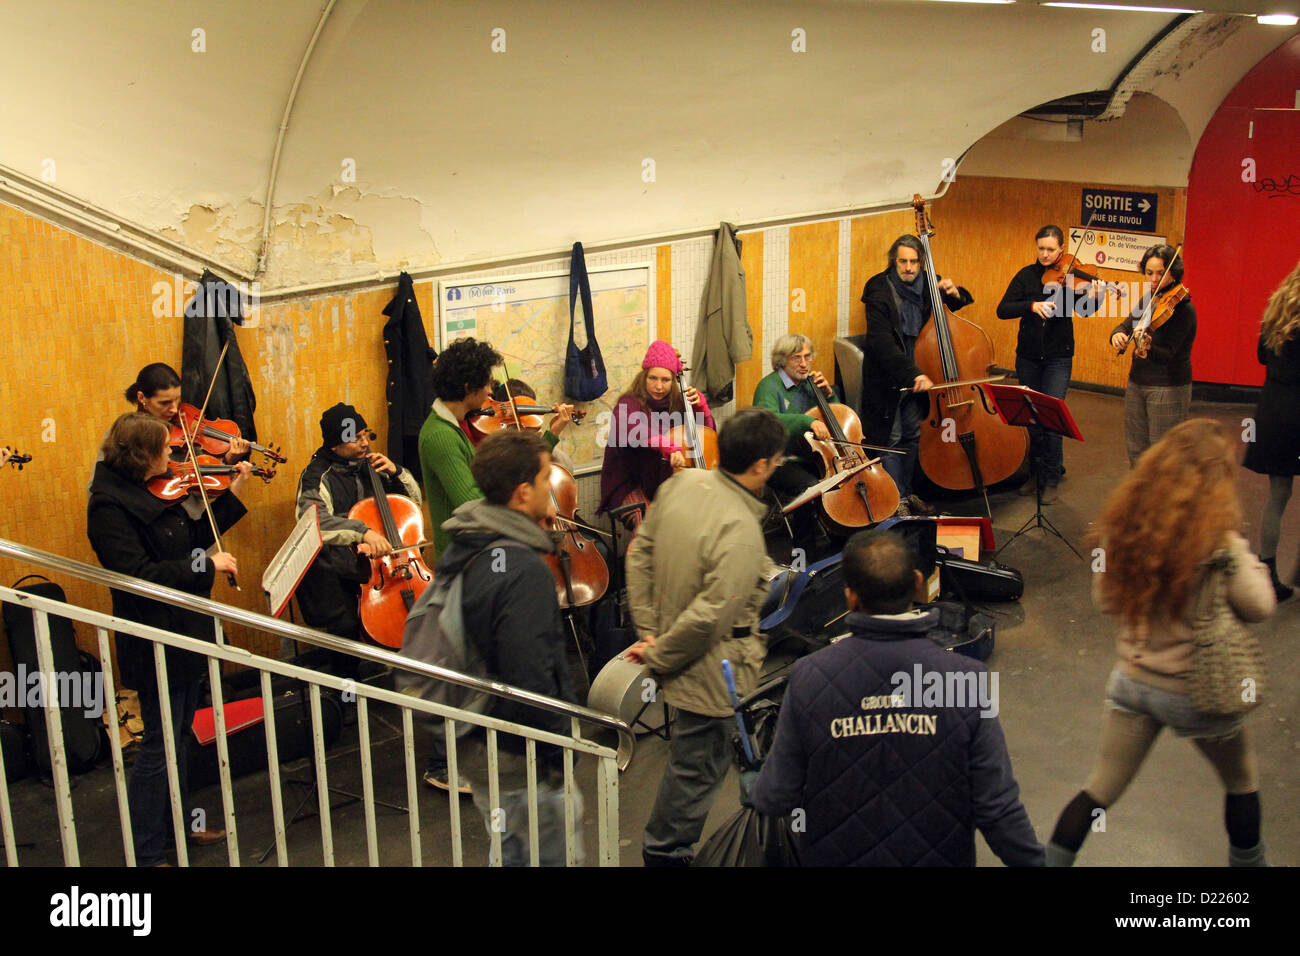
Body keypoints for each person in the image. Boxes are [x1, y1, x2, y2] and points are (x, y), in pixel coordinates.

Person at [1046, 419, 1276, 867]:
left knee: (1099, 789)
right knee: (1242, 781)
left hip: (1133, 685)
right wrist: (1251, 565)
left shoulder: (1127, 531)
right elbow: (1261, 607)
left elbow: (1105, 601)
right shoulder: (1220, 543)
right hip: (1195, 692)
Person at [750, 528, 1044, 866]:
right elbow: (998, 811)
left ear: (850, 598)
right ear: (918, 584)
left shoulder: (807, 679)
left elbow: (774, 797)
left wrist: (754, 781)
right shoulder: (965, 679)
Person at [87, 412, 251, 865]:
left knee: (180, 738)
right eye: (165, 449)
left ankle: (179, 829)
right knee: (159, 746)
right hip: (154, 636)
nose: (175, 455)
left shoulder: (144, 487)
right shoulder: (107, 507)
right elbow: (137, 575)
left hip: (183, 629)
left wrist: (233, 491)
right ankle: (147, 851)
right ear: (142, 456)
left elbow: (191, 535)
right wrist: (206, 566)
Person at [624, 408, 786, 866]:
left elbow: (640, 556)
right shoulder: (742, 532)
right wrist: (663, 655)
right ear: (759, 466)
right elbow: (710, 618)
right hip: (713, 673)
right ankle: (666, 855)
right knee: (696, 771)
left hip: (674, 656)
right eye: (774, 461)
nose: (776, 467)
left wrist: (651, 634)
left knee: (691, 762)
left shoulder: (680, 484)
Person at [435, 429, 582, 865]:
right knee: (549, 852)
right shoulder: (521, 571)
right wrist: (558, 757)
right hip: (521, 759)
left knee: (509, 846)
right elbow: (529, 683)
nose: (550, 486)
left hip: (475, 744)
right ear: (523, 493)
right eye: (544, 478)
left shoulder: (466, 539)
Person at [416, 336, 501, 791]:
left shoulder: (459, 425)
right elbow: (470, 501)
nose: (490, 394)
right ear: (467, 385)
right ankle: (442, 765)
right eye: (485, 386)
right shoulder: (440, 437)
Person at [293, 403, 423, 677]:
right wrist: (362, 531)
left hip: (384, 566)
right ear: (335, 444)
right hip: (340, 572)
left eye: (366, 435)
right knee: (345, 629)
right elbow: (315, 523)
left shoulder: (373, 465)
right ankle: (346, 696)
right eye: (356, 438)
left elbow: (410, 507)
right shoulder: (317, 476)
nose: (365, 443)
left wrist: (397, 473)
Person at [860, 234, 973, 515]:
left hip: (922, 373)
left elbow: (955, 305)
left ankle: (908, 493)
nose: (909, 268)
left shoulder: (928, 281)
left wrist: (954, 292)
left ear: (921, 262)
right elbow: (881, 342)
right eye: (903, 262)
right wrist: (912, 375)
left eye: (914, 262)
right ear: (893, 261)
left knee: (912, 434)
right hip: (890, 377)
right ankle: (893, 499)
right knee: (893, 437)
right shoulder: (878, 288)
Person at [997, 226, 1107, 503]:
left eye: (1050, 249)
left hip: (1058, 357)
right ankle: (1034, 472)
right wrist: (1032, 306)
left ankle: (1051, 478)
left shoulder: (1072, 278)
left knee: (1052, 414)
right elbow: (1003, 309)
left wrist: (1097, 296)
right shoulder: (1026, 275)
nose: (1045, 254)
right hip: (1029, 356)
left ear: (1061, 250)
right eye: (1041, 248)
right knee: (1031, 415)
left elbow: (1087, 310)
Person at [597, 340, 714, 533]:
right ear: (644, 377)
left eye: (665, 380)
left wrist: (702, 410)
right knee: (652, 529)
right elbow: (633, 428)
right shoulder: (628, 402)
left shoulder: (679, 402)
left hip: (667, 482)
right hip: (631, 483)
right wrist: (669, 446)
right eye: (652, 378)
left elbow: (707, 439)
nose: (658, 386)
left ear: (672, 381)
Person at [1242, 258, 1300, 602]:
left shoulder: (1275, 312)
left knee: (1277, 498)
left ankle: (1267, 573)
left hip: (1274, 411)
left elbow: (1263, 358)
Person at [1109, 244, 1197, 465]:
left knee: (1163, 455)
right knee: (1136, 449)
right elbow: (1125, 325)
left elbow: (1166, 355)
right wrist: (1117, 335)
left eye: (1161, 272)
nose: (1154, 278)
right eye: (1150, 273)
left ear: (1174, 272)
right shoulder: (1149, 298)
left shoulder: (1183, 308)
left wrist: (1147, 345)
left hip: (1167, 387)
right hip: (1137, 382)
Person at [751, 334, 837, 543]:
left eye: (808, 357)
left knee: (842, 478)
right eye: (796, 358)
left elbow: (838, 419)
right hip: (777, 461)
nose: (804, 364)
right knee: (809, 487)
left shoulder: (811, 384)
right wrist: (806, 422)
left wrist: (829, 396)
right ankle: (804, 554)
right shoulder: (768, 386)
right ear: (782, 360)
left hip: (811, 456)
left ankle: (842, 541)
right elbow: (769, 422)